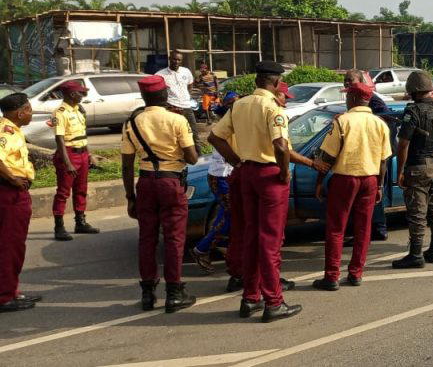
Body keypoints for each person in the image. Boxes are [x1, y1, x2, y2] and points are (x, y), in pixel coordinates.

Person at [208, 61, 303, 323]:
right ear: (275, 84)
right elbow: (281, 147)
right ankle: (274, 301)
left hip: (245, 172)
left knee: (250, 235)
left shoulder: (240, 104)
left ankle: (251, 297)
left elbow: (214, 137)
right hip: (268, 175)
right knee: (270, 241)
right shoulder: (272, 108)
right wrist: (284, 173)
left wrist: (237, 161)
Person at [120, 75, 200, 313]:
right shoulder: (176, 120)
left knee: (147, 238)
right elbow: (192, 158)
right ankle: (174, 293)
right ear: (165, 94)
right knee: (174, 238)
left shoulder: (131, 123)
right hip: (170, 181)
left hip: (145, 182)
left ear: (144, 97)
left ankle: (147, 292)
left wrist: (129, 197)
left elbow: (126, 165)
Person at [312, 82, 392, 288]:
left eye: (348, 96)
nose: (346, 99)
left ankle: (331, 276)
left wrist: (320, 183)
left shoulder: (342, 122)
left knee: (336, 228)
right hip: (370, 179)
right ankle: (356, 273)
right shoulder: (380, 123)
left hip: (344, 179)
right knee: (363, 228)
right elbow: (384, 160)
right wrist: (380, 186)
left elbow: (327, 156)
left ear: (354, 99)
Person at [392, 71, 433, 268]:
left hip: (417, 167)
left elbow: (403, 144)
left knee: (418, 212)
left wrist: (400, 171)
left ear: (413, 90)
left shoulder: (413, 111)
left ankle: (416, 255)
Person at [188, 92, 239, 274]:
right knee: (231, 215)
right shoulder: (228, 124)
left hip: (225, 175)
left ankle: (224, 247)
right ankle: (202, 249)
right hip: (223, 176)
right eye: (234, 103)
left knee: (227, 214)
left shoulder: (236, 121)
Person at [0, 93, 39, 312]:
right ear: (20, 112)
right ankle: (5, 296)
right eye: (29, 110)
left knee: (13, 245)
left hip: (11, 191)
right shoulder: (6, 131)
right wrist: (12, 178)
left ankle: (11, 290)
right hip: (10, 193)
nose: (31, 114)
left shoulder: (12, 129)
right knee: (10, 246)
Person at [345, 69, 391, 241]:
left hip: (375, 155)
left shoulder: (373, 101)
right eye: (345, 80)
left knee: (375, 194)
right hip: (360, 156)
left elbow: (383, 126)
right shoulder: (352, 100)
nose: (346, 83)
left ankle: (378, 228)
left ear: (361, 82)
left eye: (350, 80)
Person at [49, 80, 99, 241]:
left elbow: (82, 136)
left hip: (82, 153)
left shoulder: (78, 110)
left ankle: (80, 222)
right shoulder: (60, 112)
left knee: (81, 189)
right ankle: (59, 226)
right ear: (71, 94)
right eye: (80, 92)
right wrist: (67, 163)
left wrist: (89, 155)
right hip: (68, 154)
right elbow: (60, 139)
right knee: (63, 192)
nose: (83, 95)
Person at [156, 50, 198, 137]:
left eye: (179, 60)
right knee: (174, 134)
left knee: (194, 134)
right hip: (172, 108)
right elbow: (158, 92)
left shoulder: (186, 71)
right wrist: (167, 105)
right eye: (174, 59)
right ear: (169, 59)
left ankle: (197, 151)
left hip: (187, 107)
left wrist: (187, 96)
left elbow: (190, 84)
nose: (176, 62)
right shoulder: (160, 75)